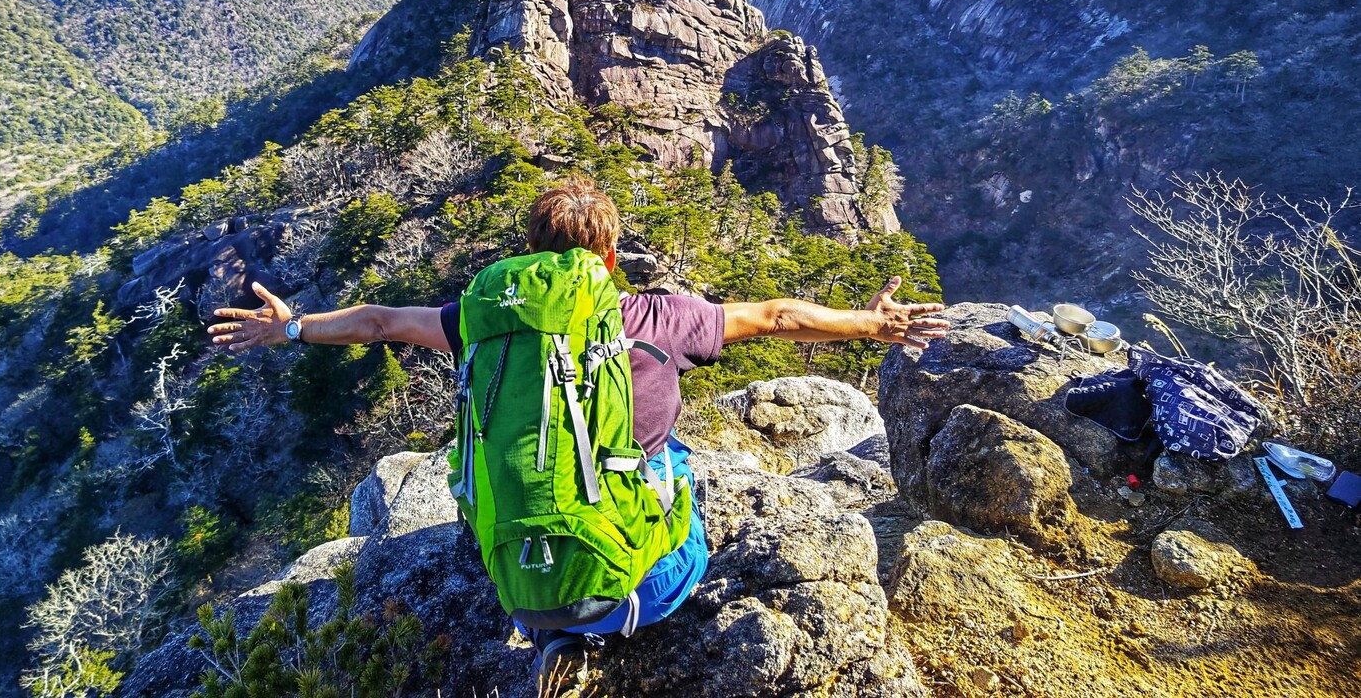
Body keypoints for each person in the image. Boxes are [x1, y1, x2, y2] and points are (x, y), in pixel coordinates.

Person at [208, 176, 948, 686]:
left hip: (515, 582)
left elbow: (377, 322)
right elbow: (780, 316)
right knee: (674, 457)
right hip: (641, 587)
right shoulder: (660, 317)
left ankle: (557, 631)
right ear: (610, 258)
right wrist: (873, 323)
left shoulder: (479, 321)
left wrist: (293, 326)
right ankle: (597, 624)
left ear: (531, 252)